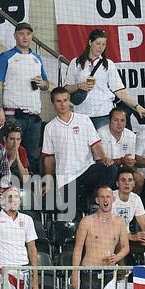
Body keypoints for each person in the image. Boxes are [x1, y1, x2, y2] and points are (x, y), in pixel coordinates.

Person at [42, 86, 109, 216]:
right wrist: (49, 180)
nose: (63, 104)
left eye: (65, 100)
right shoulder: (49, 127)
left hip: (86, 170)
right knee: (72, 215)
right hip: (66, 178)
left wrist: (104, 157)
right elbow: (49, 158)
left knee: (110, 169)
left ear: (69, 101)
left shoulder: (84, 120)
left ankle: (97, 200)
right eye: (58, 101)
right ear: (53, 103)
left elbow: (96, 144)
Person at [65, 29, 145, 129]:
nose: (101, 47)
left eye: (103, 44)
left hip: (104, 113)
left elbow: (120, 90)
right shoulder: (76, 63)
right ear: (90, 42)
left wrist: (136, 106)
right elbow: (66, 89)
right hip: (82, 113)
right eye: (98, 43)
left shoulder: (108, 64)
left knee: (104, 143)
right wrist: (79, 86)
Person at [70, 184, 131, 289]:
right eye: (102, 197)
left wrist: (117, 257)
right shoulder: (87, 221)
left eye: (108, 197)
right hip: (89, 271)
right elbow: (78, 249)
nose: (105, 200)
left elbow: (126, 247)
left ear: (113, 199)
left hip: (109, 273)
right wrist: (75, 272)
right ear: (97, 200)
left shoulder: (119, 222)